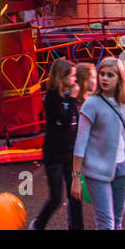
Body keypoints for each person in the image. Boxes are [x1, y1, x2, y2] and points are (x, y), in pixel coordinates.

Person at [72, 57, 125, 230]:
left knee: (117, 222)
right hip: (96, 170)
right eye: (102, 74)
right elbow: (80, 143)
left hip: (121, 166)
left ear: (119, 78)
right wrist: (76, 178)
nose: (104, 78)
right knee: (106, 224)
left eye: (110, 75)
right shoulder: (91, 104)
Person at [30, 59, 83, 231]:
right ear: (62, 77)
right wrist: (73, 99)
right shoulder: (52, 98)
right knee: (56, 198)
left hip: (70, 154)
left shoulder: (69, 98)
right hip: (55, 156)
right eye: (73, 76)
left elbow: (75, 124)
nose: (75, 80)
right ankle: (38, 225)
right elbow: (65, 120)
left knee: (75, 195)